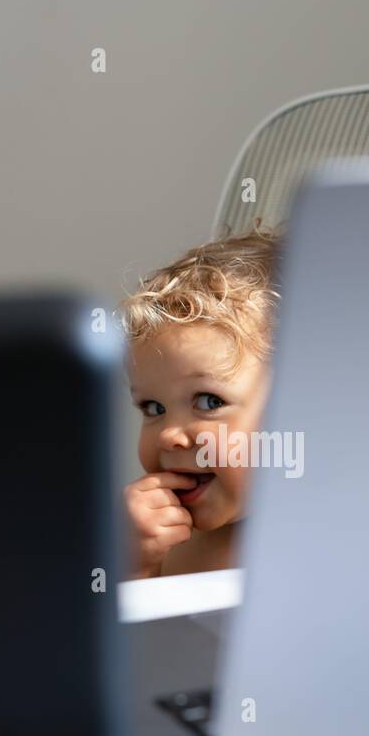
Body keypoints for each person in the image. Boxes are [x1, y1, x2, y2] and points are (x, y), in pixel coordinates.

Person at [119, 224, 281, 578]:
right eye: (153, 408)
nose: (168, 436)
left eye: (208, 402)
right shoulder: (160, 542)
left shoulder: (325, 535)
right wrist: (133, 567)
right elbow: (126, 634)